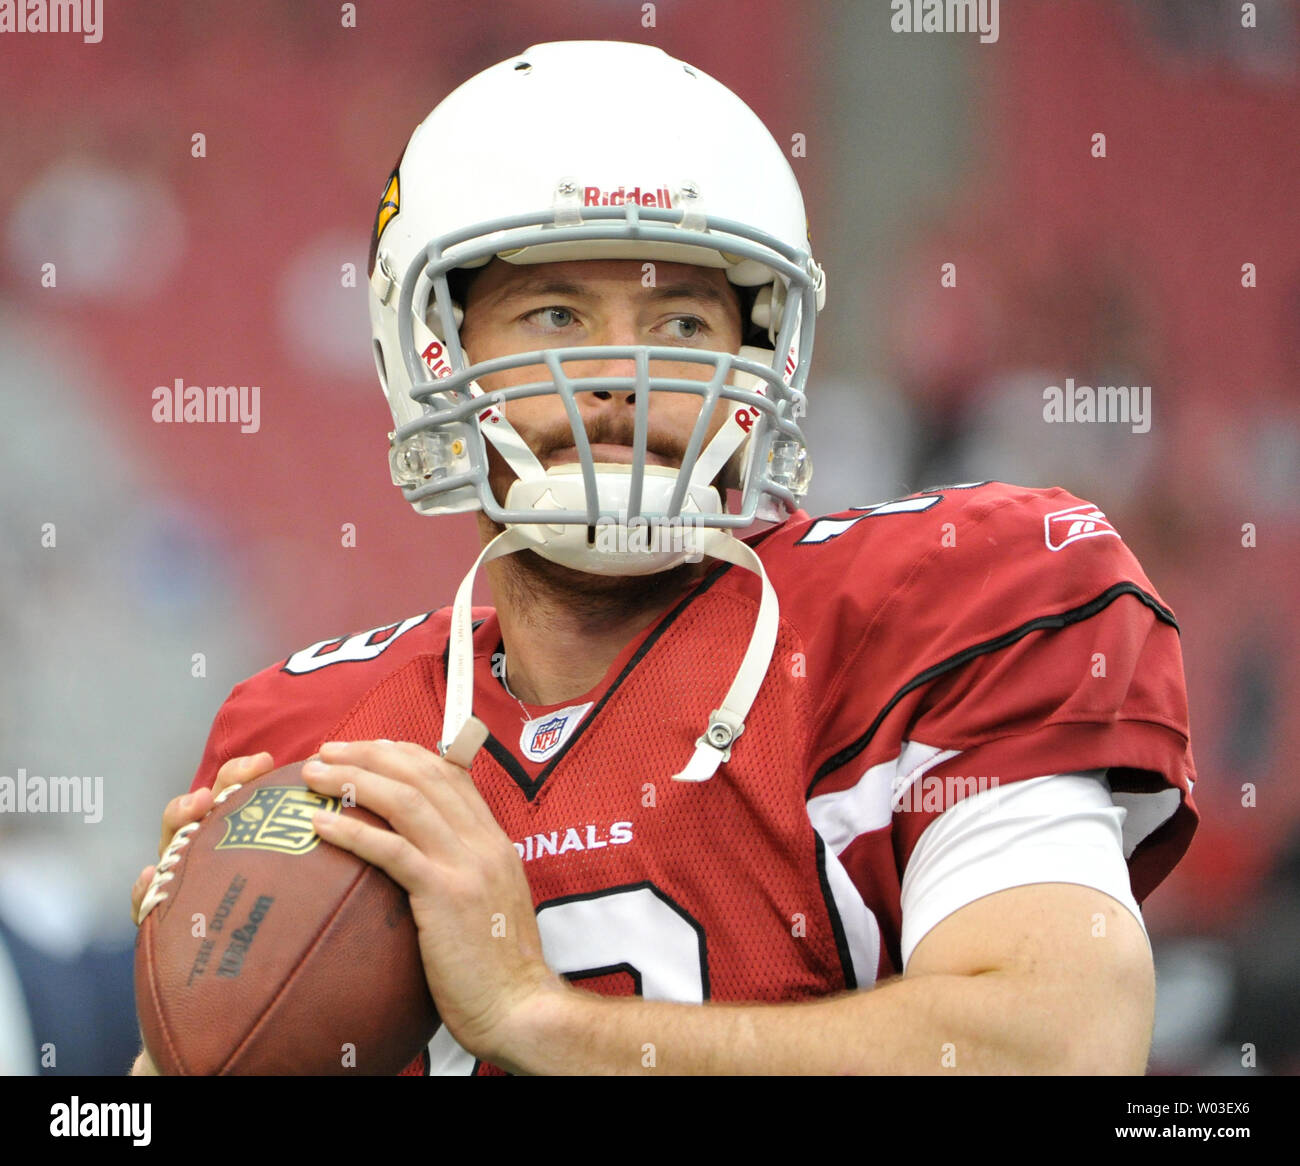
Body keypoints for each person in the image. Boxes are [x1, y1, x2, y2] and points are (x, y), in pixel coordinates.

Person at [130, 40, 1197, 1075]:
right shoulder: (311, 740)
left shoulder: (943, 602)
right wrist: (201, 1025)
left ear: (759, 361)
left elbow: (1055, 1047)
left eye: (682, 322)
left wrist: (537, 1018)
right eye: (554, 315)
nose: (619, 378)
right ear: (432, 355)